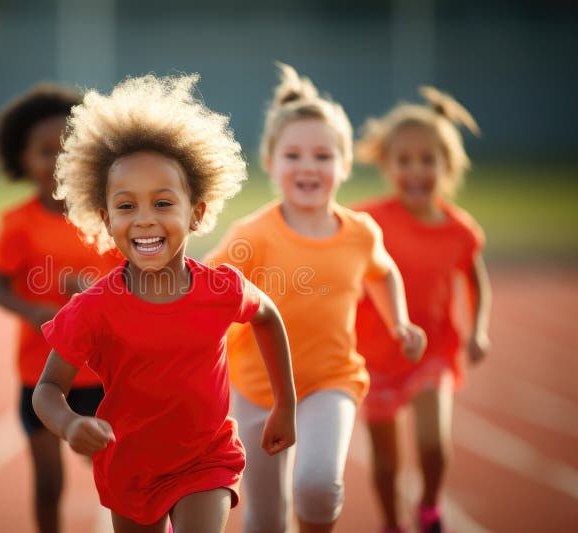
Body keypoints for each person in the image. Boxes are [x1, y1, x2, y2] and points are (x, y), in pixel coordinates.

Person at [31, 73, 297, 533]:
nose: (145, 220)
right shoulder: (94, 307)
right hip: (130, 467)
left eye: (163, 203)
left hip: (205, 460)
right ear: (104, 216)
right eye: (127, 206)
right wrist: (70, 424)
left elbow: (268, 318)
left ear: (196, 211)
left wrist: (285, 405)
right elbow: (47, 389)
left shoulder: (222, 289)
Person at [205, 63, 426, 533]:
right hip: (257, 388)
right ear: (271, 161)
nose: (308, 166)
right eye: (294, 155)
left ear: (344, 165)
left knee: (319, 487)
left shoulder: (361, 233)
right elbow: (207, 286)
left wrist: (399, 323)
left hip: (332, 381)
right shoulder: (253, 235)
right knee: (264, 516)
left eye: (323, 156)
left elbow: (384, 274)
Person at [354, 86, 490, 533]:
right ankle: (391, 522)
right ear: (387, 164)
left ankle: (430, 507)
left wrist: (478, 331)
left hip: (434, 350)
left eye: (428, 160)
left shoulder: (460, 231)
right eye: (405, 160)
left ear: (447, 166)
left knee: (434, 444)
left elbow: (475, 280)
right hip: (375, 354)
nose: (416, 170)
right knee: (387, 460)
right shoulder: (367, 222)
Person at [0, 82, 117, 532]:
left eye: (68, 147)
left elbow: (128, 279)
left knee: (116, 471)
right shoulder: (17, 224)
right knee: (47, 482)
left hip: (100, 373)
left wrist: (90, 288)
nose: (58, 160)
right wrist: (33, 311)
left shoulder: (105, 217)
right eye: (45, 151)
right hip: (39, 373)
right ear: (21, 159)